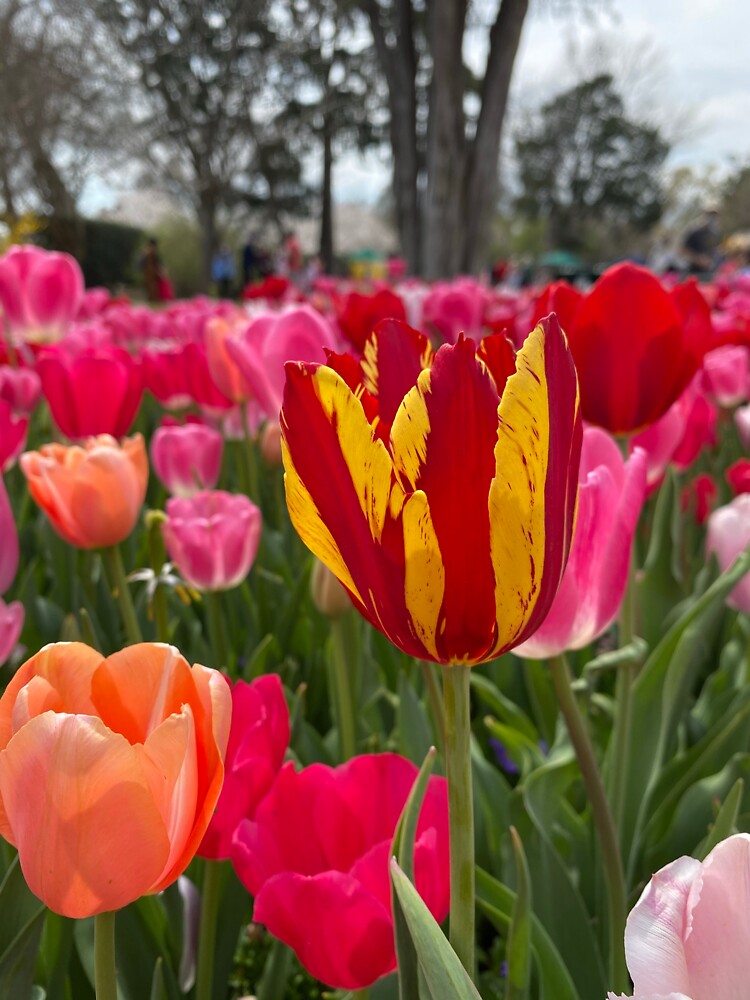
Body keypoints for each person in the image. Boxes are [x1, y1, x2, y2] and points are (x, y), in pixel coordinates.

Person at [681, 205, 722, 275]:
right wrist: (698, 260)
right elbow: (683, 249)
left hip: (707, 272)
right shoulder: (695, 230)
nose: (712, 217)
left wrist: (710, 261)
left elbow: (716, 250)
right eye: (710, 214)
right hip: (691, 270)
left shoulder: (715, 234)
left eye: (714, 215)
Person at [141, 237, 163, 303]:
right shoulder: (149, 251)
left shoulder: (147, 251)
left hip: (150, 270)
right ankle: (151, 298)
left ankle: (153, 298)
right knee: (151, 285)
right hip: (150, 270)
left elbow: (156, 261)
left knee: (153, 285)